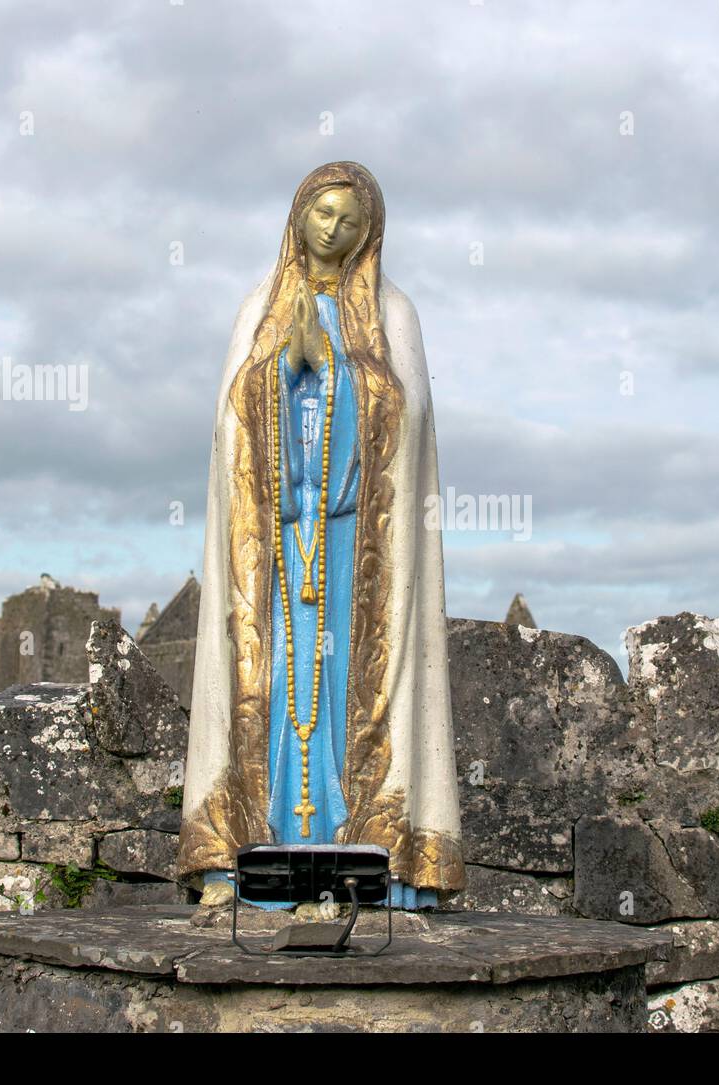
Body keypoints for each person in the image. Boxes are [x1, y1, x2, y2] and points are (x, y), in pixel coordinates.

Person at [175, 162, 465, 910]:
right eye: (323, 213)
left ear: (370, 234)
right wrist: (277, 370)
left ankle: (372, 863)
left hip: (355, 551)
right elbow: (227, 425)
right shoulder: (260, 306)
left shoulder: (394, 312)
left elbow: (412, 419)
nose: (334, 230)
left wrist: (335, 367)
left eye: (351, 221)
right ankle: (242, 861)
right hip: (273, 549)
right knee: (268, 687)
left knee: (347, 693)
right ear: (299, 214)